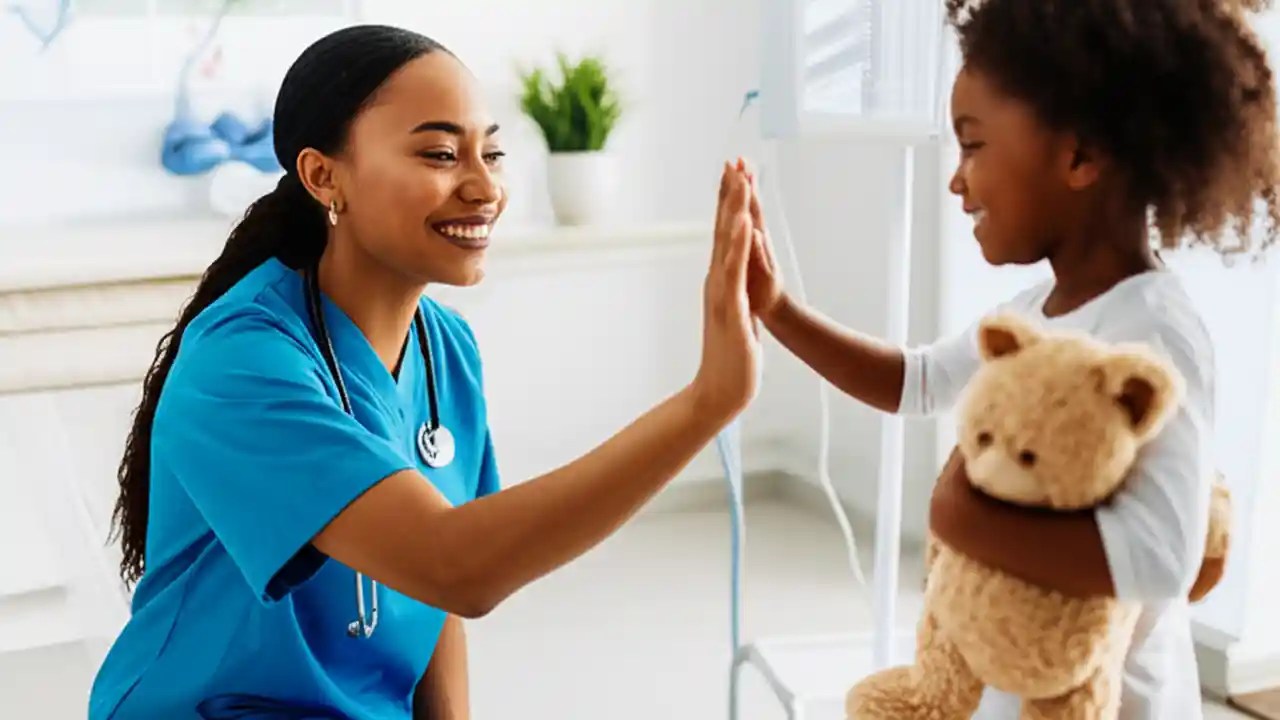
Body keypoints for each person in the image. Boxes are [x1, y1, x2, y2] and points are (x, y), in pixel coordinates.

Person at [89, 25, 761, 719]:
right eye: (441, 154)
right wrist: (705, 404)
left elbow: (441, 601)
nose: (484, 187)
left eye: (492, 153)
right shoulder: (242, 363)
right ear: (323, 176)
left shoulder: (445, 348)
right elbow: (459, 565)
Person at [744, 1, 1279, 718]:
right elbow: (916, 380)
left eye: (973, 145)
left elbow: (1162, 559)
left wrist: (958, 513)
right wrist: (777, 308)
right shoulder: (1032, 315)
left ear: (1081, 154)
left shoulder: (1151, 337)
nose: (956, 180)